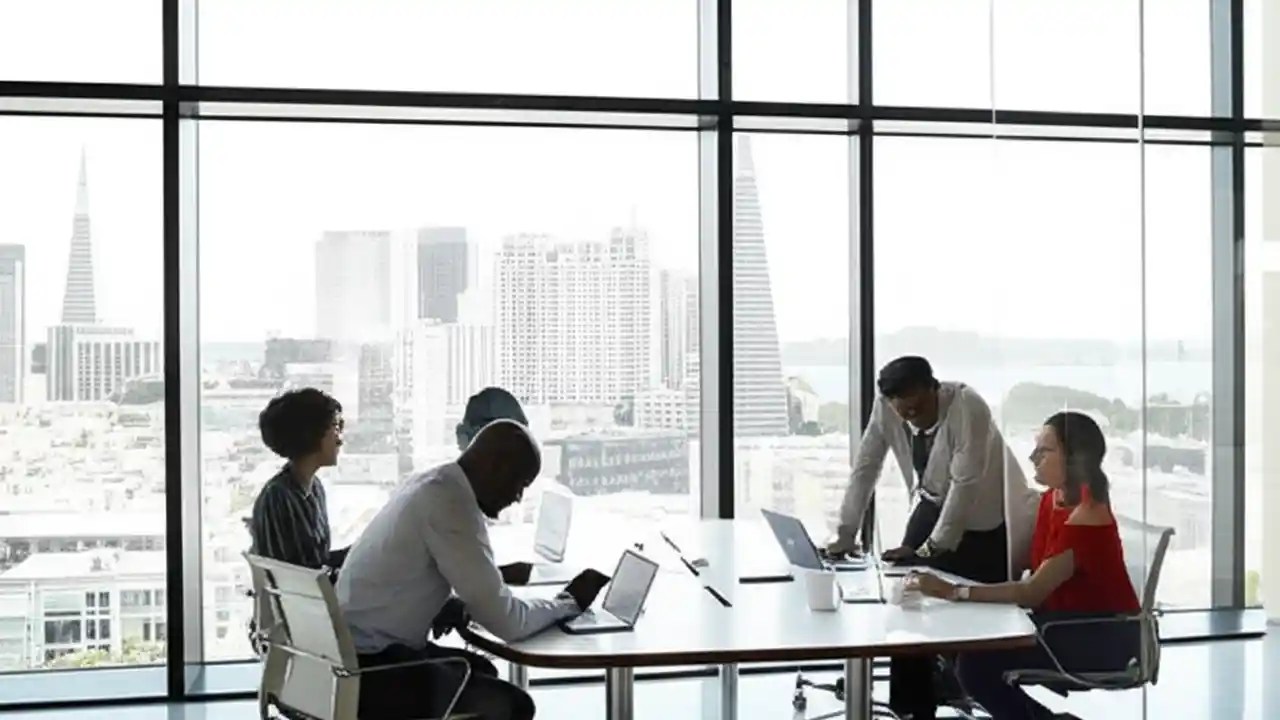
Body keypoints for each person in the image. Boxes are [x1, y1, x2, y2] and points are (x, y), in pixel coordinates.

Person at [336, 420, 610, 720]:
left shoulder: (429, 483)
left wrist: (446, 603)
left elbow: (415, 575)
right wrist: (566, 603)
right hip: (375, 672)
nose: (517, 497)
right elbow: (509, 623)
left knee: (482, 670)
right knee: (512, 706)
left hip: (344, 663)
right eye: (519, 482)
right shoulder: (451, 503)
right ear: (494, 465)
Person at [907, 411, 1141, 720]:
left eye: (1044, 450)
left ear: (1073, 458)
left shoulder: (1086, 515)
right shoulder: (1052, 499)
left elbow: (1032, 592)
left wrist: (954, 591)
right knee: (965, 650)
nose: (1033, 457)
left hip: (1097, 635)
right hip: (1060, 623)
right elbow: (1031, 568)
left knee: (975, 666)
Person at [826, 356, 1021, 719]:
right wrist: (845, 533)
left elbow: (965, 485)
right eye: (904, 412)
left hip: (982, 518)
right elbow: (866, 466)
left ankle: (969, 687)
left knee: (978, 625)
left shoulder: (967, 406)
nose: (911, 417)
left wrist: (928, 550)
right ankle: (912, 710)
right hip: (932, 503)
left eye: (916, 408)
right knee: (905, 604)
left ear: (935, 387)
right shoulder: (887, 406)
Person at [249, 388, 348, 573]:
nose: (340, 440)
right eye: (335, 427)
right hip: (303, 600)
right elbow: (301, 574)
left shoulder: (314, 488)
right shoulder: (278, 497)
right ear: (311, 433)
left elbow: (318, 561)